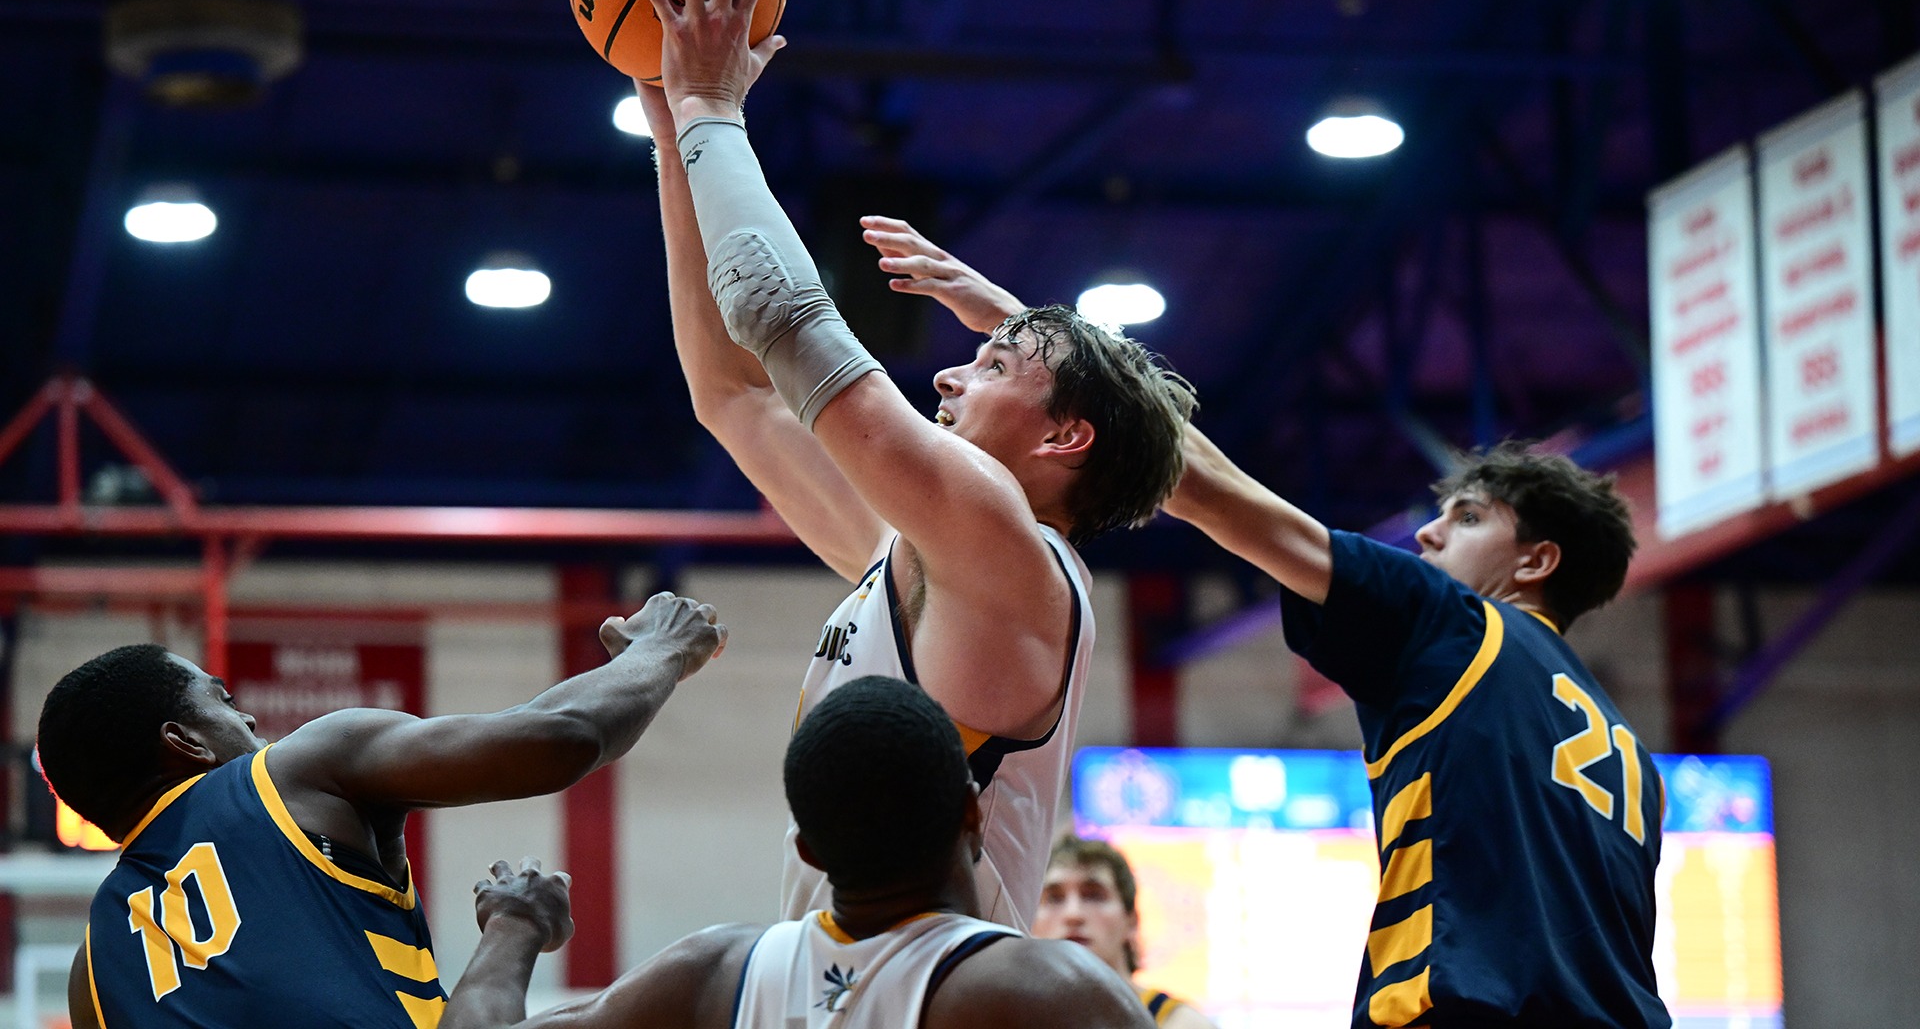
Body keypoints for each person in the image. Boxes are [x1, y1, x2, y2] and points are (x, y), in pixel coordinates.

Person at [864, 226, 1670, 1027]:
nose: (1426, 536)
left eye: (1464, 519)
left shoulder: (1463, 628)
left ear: (1534, 563)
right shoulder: (1633, 756)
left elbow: (1212, 489)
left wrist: (1041, 356)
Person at [621, 0, 1194, 930]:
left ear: (1066, 436)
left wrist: (714, 108)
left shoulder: (1010, 555)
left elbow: (786, 323)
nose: (948, 372)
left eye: (995, 365)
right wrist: (672, 123)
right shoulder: (929, 562)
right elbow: (733, 395)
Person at [38, 591, 726, 1029]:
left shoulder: (91, 979)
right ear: (182, 742)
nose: (246, 713)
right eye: (220, 699)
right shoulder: (291, 773)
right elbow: (561, 738)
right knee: (708, 970)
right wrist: (661, 647)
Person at [436, 676, 1156, 1029]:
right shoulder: (1052, 993)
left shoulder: (710, 975)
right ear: (971, 813)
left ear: (808, 851)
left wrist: (515, 927)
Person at [1032, 836, 1216, 1029]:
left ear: (1131, 921)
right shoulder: (1012, 1014)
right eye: (1054, 898)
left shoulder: (1181, 1023)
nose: (1073, 914)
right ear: (1031, 923)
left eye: (1094, 895)